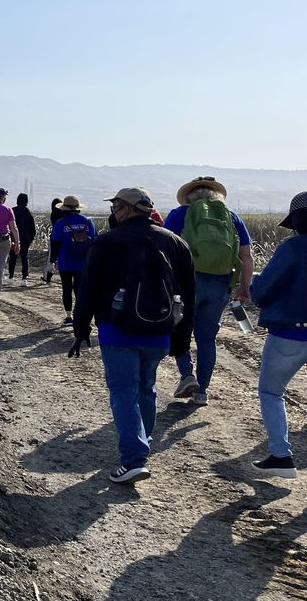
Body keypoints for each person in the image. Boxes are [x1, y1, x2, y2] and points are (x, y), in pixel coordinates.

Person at [69, 187, 196, 485]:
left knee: (124, 391)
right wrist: (181, 341)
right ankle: (142, 449)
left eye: (115, 206)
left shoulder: (107, 242)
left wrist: (81, 329)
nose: (114, 211)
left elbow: (87, 290)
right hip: (159, 332)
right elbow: (188, 296)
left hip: (117, 330)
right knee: (146, 388)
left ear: (126, 209)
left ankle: (134, 459)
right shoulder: (177, 243)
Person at [163, 176, 254, 406]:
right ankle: (202, 392)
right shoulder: (232, 217)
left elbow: (163, 249)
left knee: (178, 329)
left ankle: (187, 375)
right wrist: (245, 288)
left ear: (190, 195)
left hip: (186, 283)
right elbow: (246, 256)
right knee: (207, 339)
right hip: (220, 284)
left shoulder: (179, 214)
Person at [249, 192, 307, 479]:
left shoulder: (293, 248)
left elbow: (260, 293)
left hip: (290, 333)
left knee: (272, 392)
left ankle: (281, 456)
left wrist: (255, 288)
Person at [50, 195, 96, 325]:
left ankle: (69, 316)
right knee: (80, 289)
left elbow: (55, 242)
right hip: (83, 261)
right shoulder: (88, 221)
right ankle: (79, 314)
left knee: (66, 288)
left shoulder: (61, 223)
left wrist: (52, 260)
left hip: (65, 261)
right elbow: (95, 241)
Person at [7, 193, 36, 287]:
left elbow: (8, 225)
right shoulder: (28, 212)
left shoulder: (12, 211)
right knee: (24, 257)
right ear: (26, 201)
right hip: (26, 238)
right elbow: (33, 229)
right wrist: (30, 239)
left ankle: (10, 277)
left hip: (14, 238)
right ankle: (24, 279)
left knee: (12, 257)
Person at [44, 198, 63, 284]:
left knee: (51, 259)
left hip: (54, 238)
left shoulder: (53, 214)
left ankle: (48, 276)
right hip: (64, 238)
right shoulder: (64, 215)